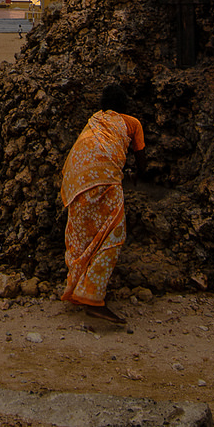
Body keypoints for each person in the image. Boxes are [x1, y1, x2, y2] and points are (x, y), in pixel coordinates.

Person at [59, 83, 146, 324]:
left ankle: (77, 288)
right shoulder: (131, 123)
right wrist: (137, 175)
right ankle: (93, 298)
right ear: (124, 106)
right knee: (113, 235)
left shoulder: (95, 120)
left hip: (75, 179)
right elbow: (141, 160)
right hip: (104, 179)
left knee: (81, 237)